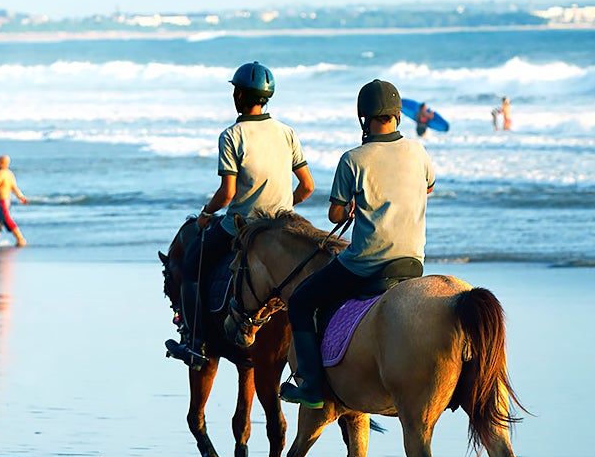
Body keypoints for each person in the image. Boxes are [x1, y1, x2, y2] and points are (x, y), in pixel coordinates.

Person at [282, 79, 434, 408]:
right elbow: (428, 188)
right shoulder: (418, 151)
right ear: (397, 114)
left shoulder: (354, 159)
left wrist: (351, 204)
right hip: (413, 261)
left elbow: (336, 213)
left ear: (364, 118)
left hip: (367, 263)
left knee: (301, 302)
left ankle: (310, 385)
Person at [175, 62, 313, 366]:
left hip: (243, 227)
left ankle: (195, 340)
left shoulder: (232, 135)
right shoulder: (287, 132)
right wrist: (281, 206)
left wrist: (205, 214)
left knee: (191, 263)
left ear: (238, 95)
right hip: (282, 224)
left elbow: (226, 193)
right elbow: (307, 186)